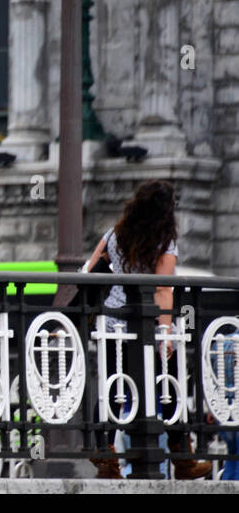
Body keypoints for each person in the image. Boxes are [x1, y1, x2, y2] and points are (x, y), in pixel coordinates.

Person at [81, 179, 210, 480]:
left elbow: (90, 269)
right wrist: (165, 334)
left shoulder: (116, 234)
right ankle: (182, 459)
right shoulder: (164, 240)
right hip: (147, 328)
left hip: (113, 323)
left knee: (114, 388)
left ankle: (106, 457)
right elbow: (163, 289)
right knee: (170, 388)